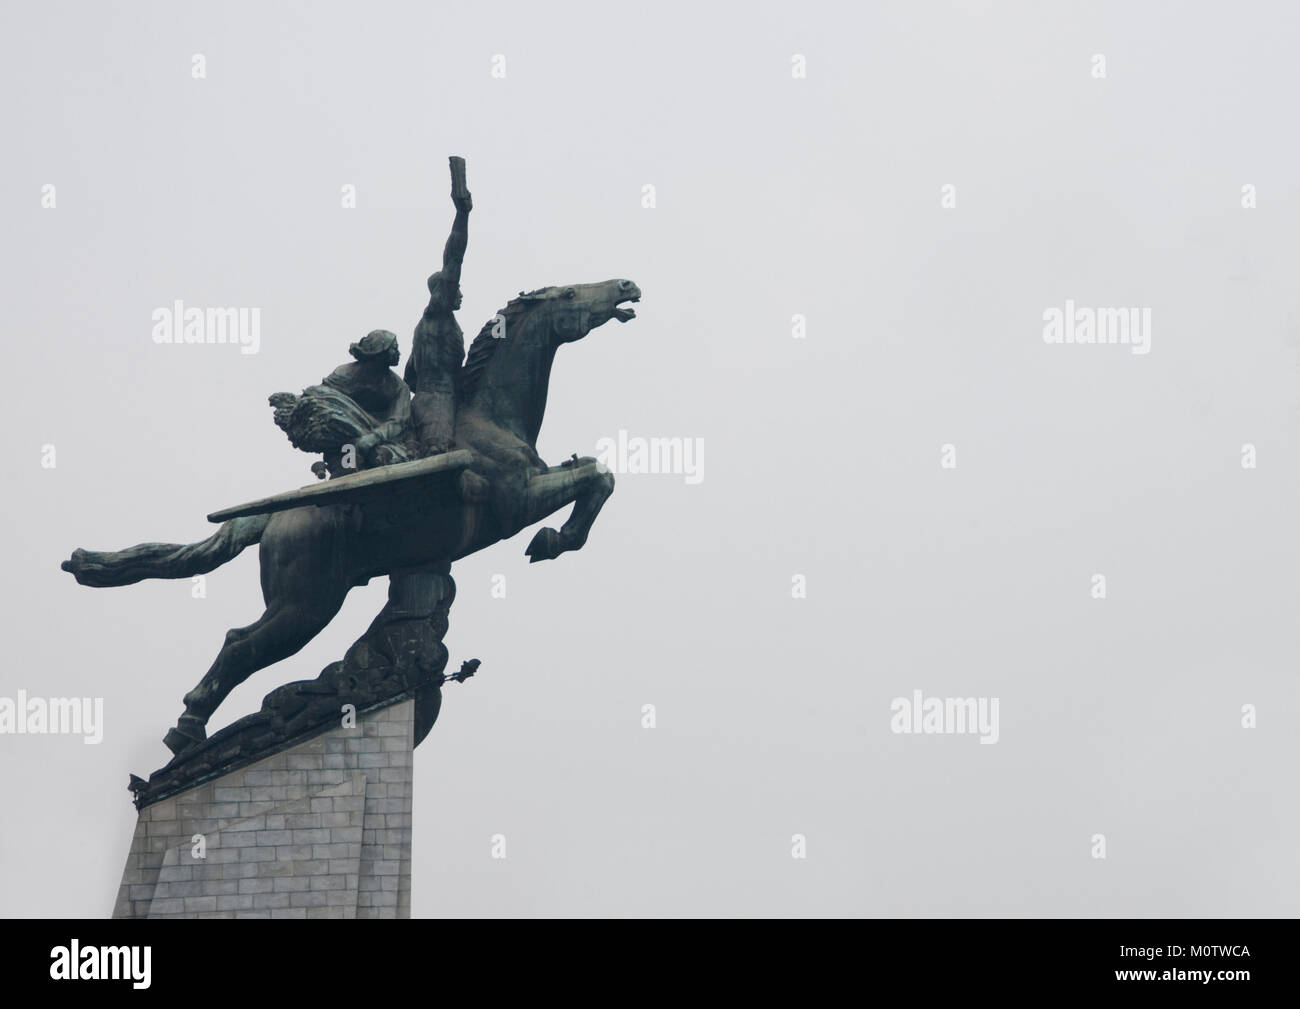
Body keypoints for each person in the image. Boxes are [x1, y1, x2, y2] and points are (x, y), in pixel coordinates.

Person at [405, 156, 472, 457]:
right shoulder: (437, 314)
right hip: (437, 403)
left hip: (439, 398)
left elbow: (408, 375)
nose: (460, 294)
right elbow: (453, 260)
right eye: (454, 288)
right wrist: (462, 214)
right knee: (439, 458)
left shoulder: (432, 325)